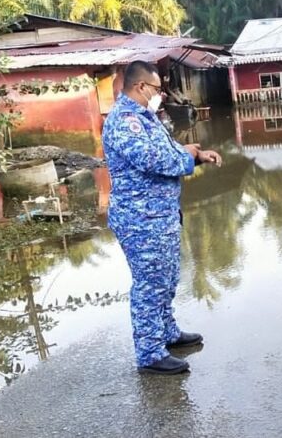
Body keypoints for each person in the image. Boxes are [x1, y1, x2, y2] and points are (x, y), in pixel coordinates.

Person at [102, 60, 222, 375]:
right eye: (157, 89)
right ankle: (150, 353)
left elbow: (167, 152)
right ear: (140, 86)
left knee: (167, 278)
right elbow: (154, 160)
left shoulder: (145, 118)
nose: (161, 94)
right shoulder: (125, 121)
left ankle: (166, 333)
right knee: (149, 284)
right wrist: (188, 156)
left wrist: (192, 154)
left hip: (159, 216)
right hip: (140, 220)